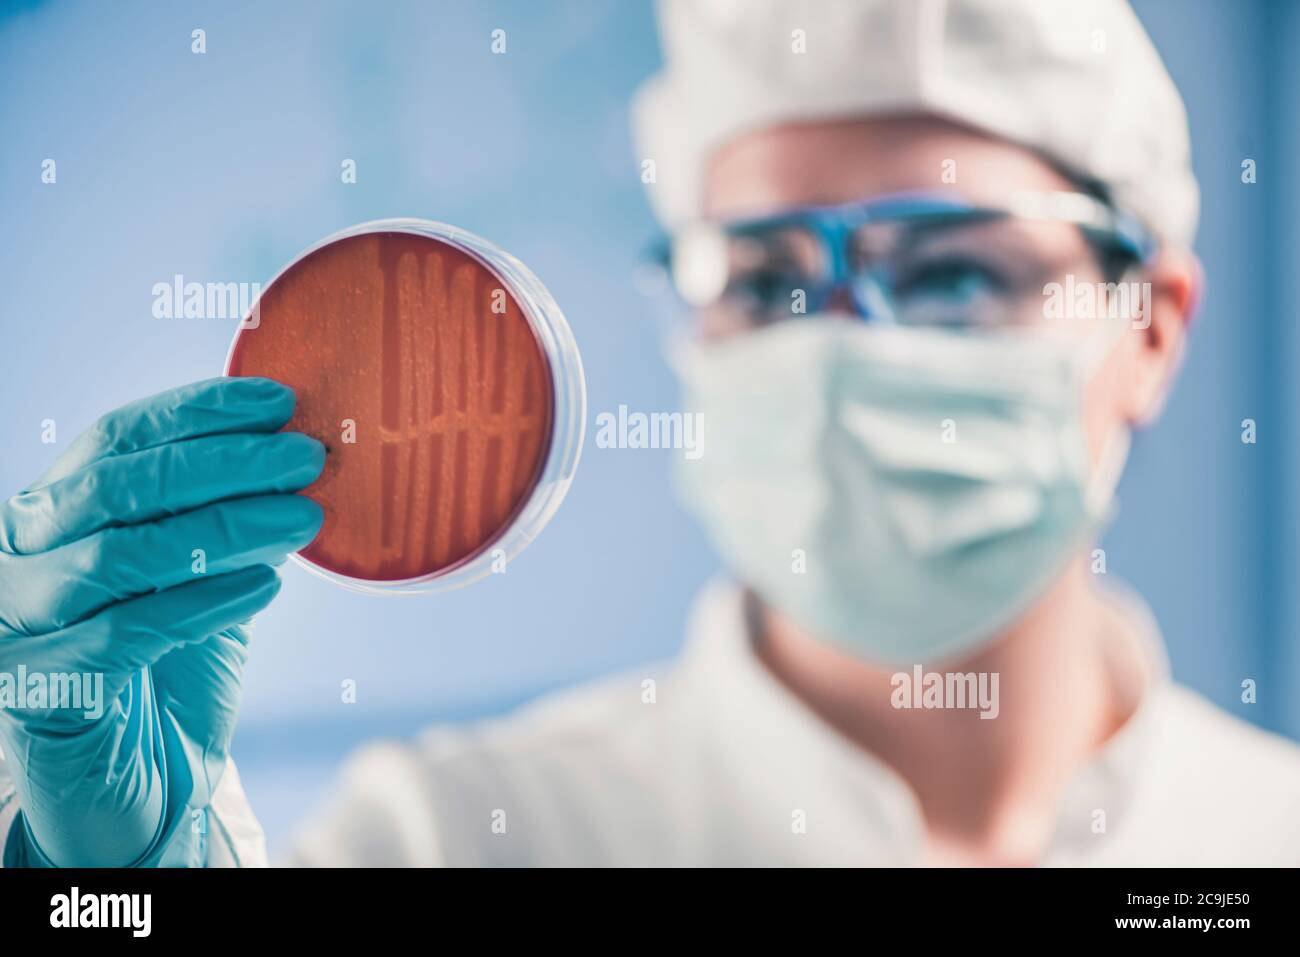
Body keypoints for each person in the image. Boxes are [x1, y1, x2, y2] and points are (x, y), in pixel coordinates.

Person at [2, 0, 1299, 868]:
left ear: (1152, 326)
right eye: (765, 278)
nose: (843, 346)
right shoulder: (452, 837)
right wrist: (116, 885)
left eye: (952, 273)